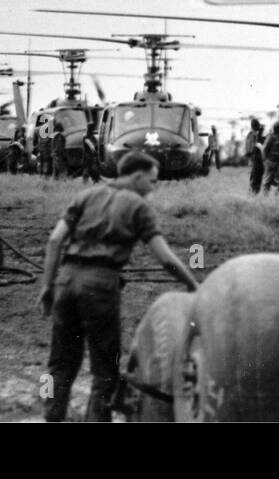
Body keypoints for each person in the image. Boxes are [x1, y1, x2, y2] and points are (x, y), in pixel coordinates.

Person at [38, 151, 198, 422]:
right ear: (136, 177)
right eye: (152, 181)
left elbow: (55, 241)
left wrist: (47, 287)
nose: (153, 187)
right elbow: (164, 257)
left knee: (59, 364)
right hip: (100, 287)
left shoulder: (85, 196)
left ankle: (51, 417)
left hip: (66, 281)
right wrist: (192, 284)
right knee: (105, 369)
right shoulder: (138, 206)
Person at [244, 117, 266, 194]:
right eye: (258, 126)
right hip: (256, 159)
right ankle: (252, 194)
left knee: (257, 177)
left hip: (258, 159)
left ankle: (253, 194)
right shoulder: (252, 135)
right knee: (255, 178)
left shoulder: (255, 135)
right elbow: (251, 148)